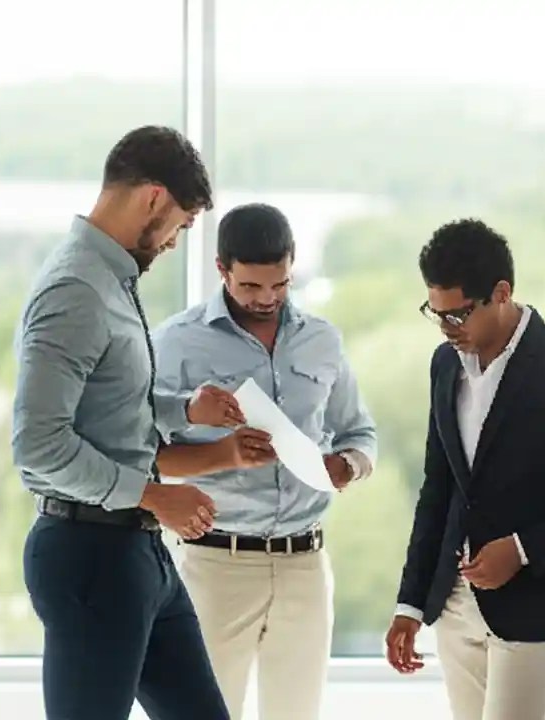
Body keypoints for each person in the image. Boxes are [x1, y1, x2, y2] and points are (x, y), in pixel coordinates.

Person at [11, 125, 232, 719]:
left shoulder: (110, 279)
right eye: (181, 225)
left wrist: (186, 409)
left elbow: (111, 399)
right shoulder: (75, 290)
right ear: (154, 198)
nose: (174, 242)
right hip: (89, 554)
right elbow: (39, 444)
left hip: (138, 554)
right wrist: (155, 494)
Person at [384, 219, 545, 720]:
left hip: (539, 610)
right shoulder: (444, 364)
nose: (446, 329)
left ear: (501, 293)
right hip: (456, 606)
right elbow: (438, 489)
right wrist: (410, 605)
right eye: (434, 314)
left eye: (457, 315)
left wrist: (523, 549)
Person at [150, 202, 378, 720]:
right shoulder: (175, 344)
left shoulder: (322, 340)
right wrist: (222, 454)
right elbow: (146, 458)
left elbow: (359, 431)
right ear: (221, 269)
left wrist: (350, 465)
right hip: (214, 564)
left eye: (279, 285)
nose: (267, 299)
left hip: (306, 564)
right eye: (251, 287)